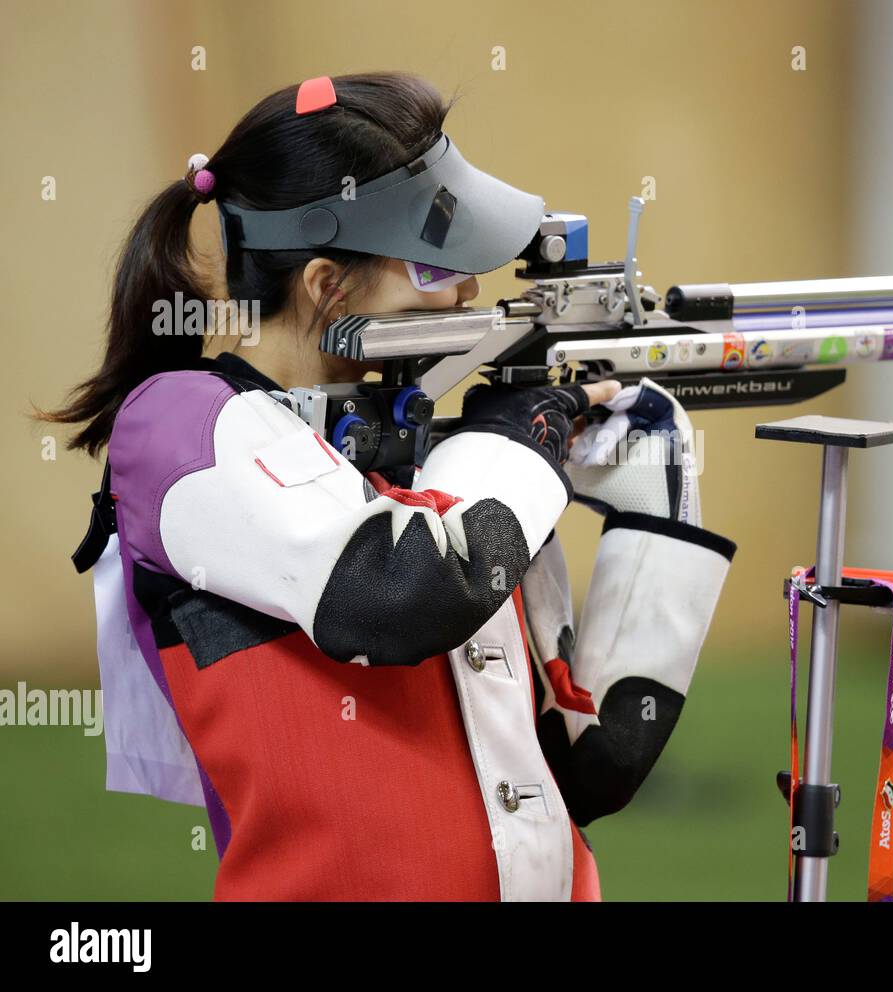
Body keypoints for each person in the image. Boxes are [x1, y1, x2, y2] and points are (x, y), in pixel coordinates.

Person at [42, 72, 735, 901]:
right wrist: (513, 446)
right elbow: (396, 593)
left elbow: (589, 767)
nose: (471, 290)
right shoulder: (183, 426)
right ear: (328, 285)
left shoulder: (410, 444)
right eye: (434, 265)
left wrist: (653, 508)